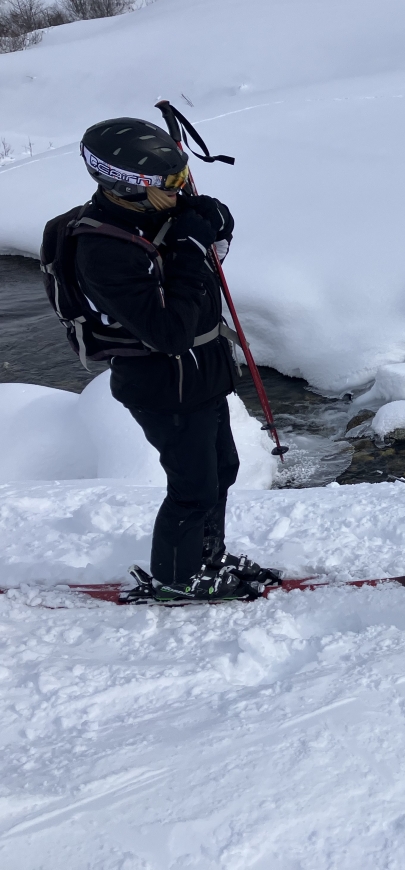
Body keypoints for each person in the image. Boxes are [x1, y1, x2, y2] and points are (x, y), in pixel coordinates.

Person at [51, 117, 272, 601]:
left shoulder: (150, 213)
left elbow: (191, 239)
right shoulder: (103, 250)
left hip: (202, 374)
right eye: (171, 183)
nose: (182, 188)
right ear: (129, 186)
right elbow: (169, 332)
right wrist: (193, 247)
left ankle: (207, 557)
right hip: (163, 386)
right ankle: (177, 577)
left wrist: (212, 221)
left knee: (223, 470)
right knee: (192, 486)